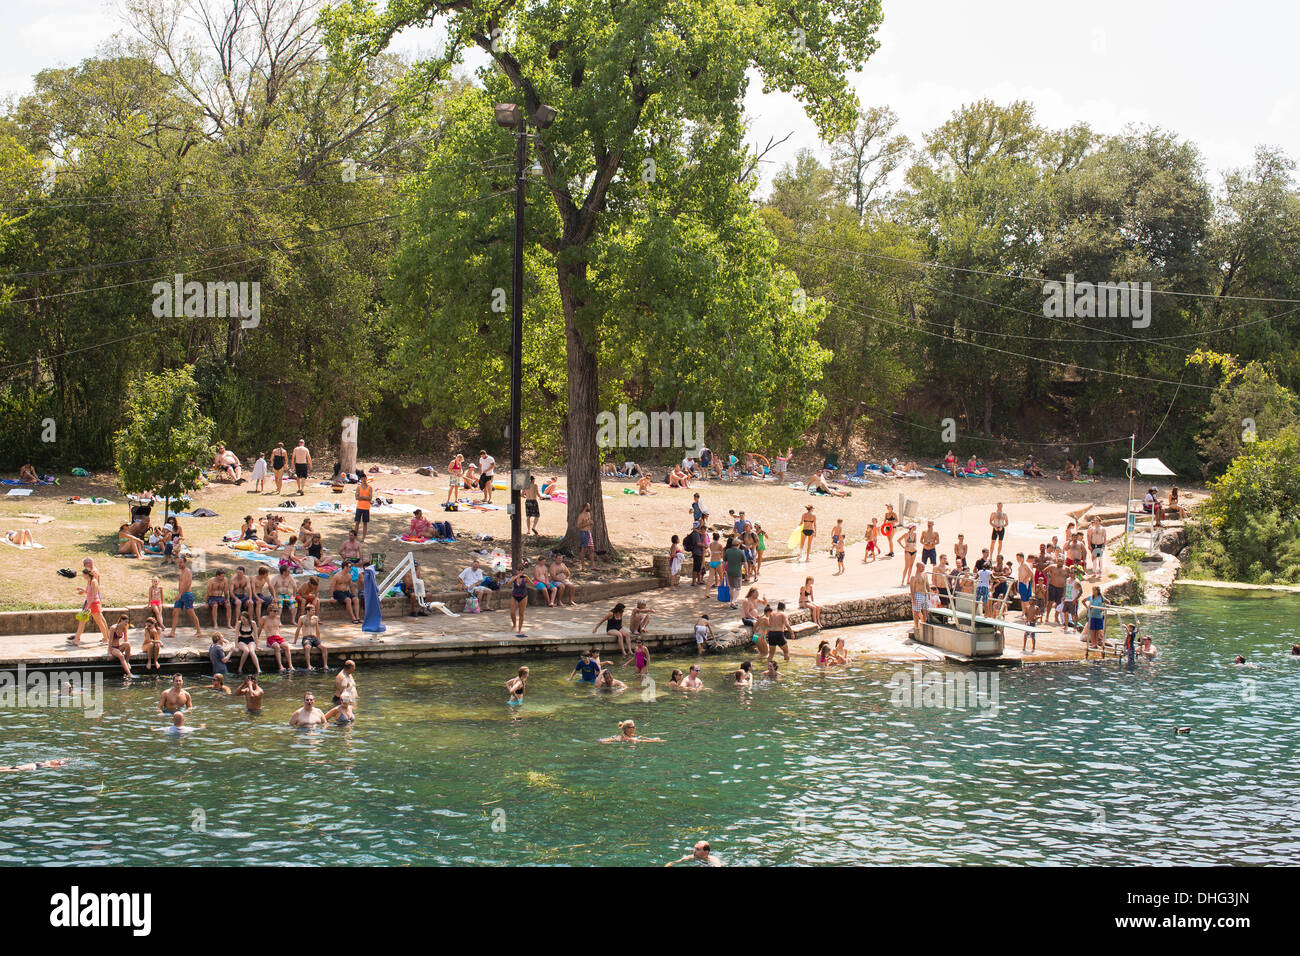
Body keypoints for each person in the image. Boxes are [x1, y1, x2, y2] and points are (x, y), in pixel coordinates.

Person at [67, 561, 112, 646]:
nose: (83, 576)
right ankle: (76, 640)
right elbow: (89, 593)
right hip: (89, 603)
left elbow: (94, 595)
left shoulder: (94, 582)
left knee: (99, 622)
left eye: (83, 575)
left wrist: (87, 607)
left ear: (87, 575)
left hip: (94, 604)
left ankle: (106, 639)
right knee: (82, 621)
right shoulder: (89, 581)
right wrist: (83, 590)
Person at [262, 604, 294, 673]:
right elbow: (259, 630)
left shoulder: (278, 617)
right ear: (269, 611)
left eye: (277, 611)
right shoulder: (264, 618)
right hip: (270, 638)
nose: (276, 613)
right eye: (274, 611)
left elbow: (277, 628)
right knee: (277, 647)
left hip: (277, 637)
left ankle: (290, 665)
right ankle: (280, 666)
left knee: (286, 646)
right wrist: (256, 640)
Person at [233, 609, 260, 673]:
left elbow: (255, 635)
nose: (243, 621)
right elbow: (236, 635)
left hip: (250, 639)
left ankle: (258, 669)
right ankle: (240, 668)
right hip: (242, 640)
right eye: (241, 619)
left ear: (248, 619)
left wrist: (257, 645)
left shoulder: (253, 623)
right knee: (246, 651)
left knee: (251, 651)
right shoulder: (239, 623)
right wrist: (236, 646)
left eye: (244, 619)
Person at [508, 569, 531, 637]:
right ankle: (514, 624)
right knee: (512, 612)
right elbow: (508, 583)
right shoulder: (514, 577)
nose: (520, 572)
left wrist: (527, 577)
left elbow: (532, 584)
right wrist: (516, 577)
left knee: (521, 613)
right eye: (519, 570)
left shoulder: (525, 578)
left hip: (523, 596)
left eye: (521, 570)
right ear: (516, 571)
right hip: (515, 596)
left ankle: (520, 629)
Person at [576, 503, 596, 570]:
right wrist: (587, 523)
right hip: (583, 533)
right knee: (584, 549)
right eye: (589, 506)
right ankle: (583, 566)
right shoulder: (581, 516)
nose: (590, 507)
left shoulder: (588, 514)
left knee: (592, 549)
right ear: (586, 507)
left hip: (588, 532)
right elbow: (578, 526)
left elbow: (589, 522)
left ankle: (593, 565)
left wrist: (591, 523)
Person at [353, 474, 373, 541]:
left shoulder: (369, 488)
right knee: (357, 523)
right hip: (359, 507)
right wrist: (365, 497)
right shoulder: (358, 487)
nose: (364, 480)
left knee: (365, 523)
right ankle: (355, 537)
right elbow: (356, 497)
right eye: (362, 479)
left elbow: (370, 498)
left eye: (365, 478)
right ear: (360, 480)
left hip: (366, 508)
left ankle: (363, 538)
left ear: (366, 479)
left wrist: (362, 497)